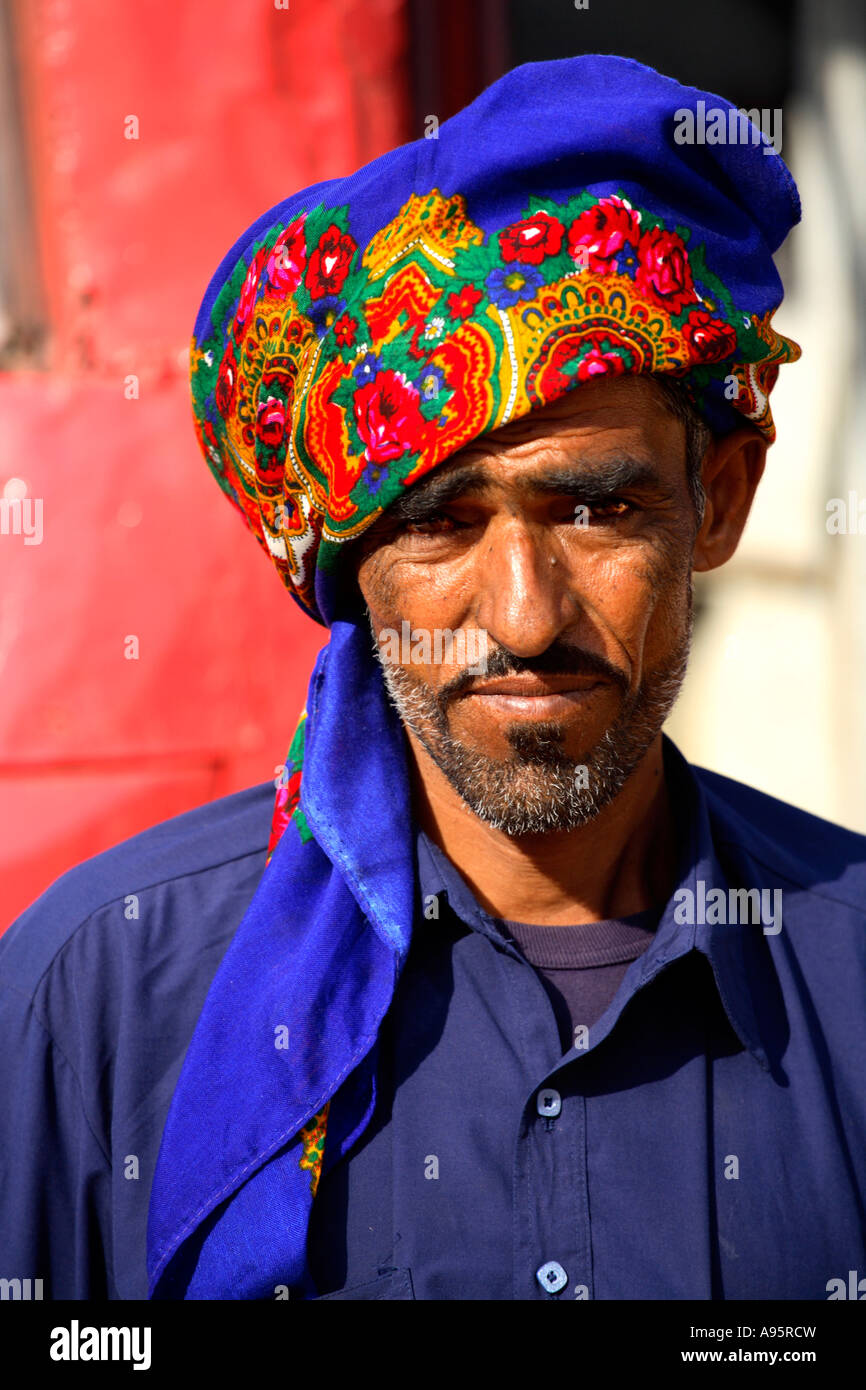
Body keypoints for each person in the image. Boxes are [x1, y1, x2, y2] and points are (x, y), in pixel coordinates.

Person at [2, 54, 865, 1303]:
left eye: (595, 508)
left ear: (715, 501)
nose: (521, 618)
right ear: (349, 563)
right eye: (438, 523)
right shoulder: (101, 1002)